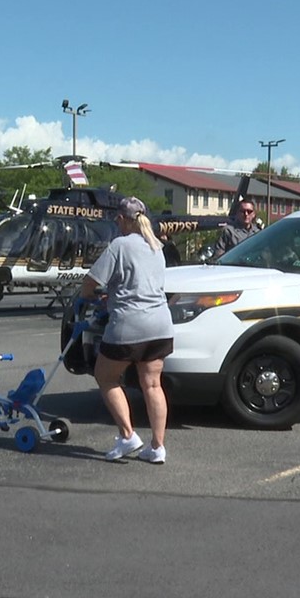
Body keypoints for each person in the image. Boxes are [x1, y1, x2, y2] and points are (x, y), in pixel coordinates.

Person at [80, 196, 173, 464]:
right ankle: (157, 446)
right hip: (160, 324)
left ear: (122, 219)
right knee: (153, 384)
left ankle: (127, 434)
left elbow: (91, 283)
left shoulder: (119, 245)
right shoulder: (157, 246)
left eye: (117, 219)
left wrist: (91, 296)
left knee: (106, 376)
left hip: (129, 325)